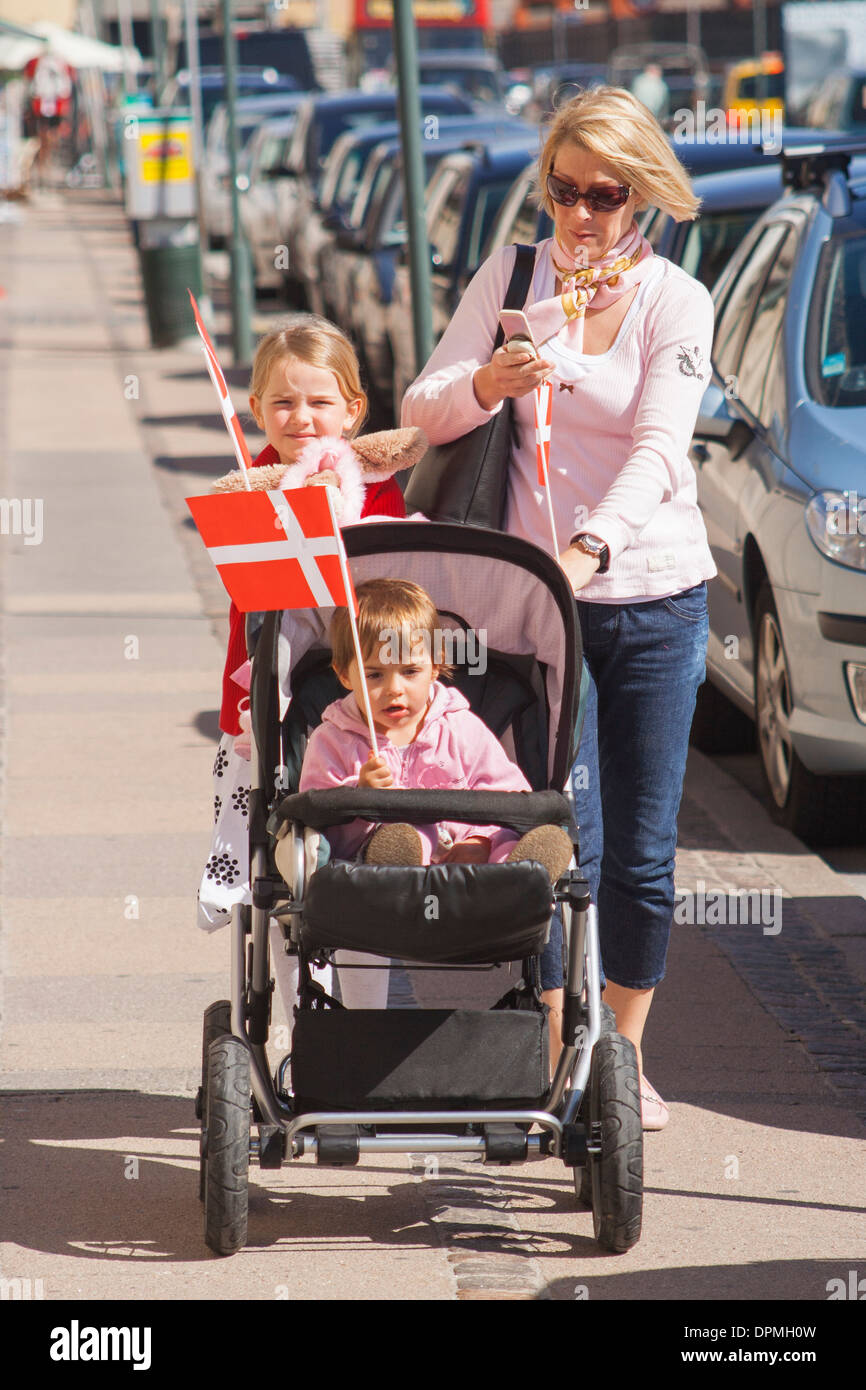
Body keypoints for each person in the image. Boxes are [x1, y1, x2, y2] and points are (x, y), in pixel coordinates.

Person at [401, 85, 717, 1129]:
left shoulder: (676, 299)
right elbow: (422, 409)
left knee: (639, 847)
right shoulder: (511, 273)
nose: (580, 214)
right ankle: (547, 1039)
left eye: (605, 194)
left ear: (642, 197)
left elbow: (658, 452)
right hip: (541, 608)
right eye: (563, 191)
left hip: (653, 594)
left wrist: (587, 547)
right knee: (547, 827)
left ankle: (620, 1059)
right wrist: (487, 381)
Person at [294, 577, 574, 882]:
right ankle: (400, 863)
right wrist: (357, 798)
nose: (394, 689)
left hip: (471, 874)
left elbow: (510, 797)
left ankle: (522, 877)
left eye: (410, 671)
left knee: (510, 841)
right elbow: (317, 838)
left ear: (436, 665)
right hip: (375, 884)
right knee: (403, 835)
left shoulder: (460, 729)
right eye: (374, 675)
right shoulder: (332, 740)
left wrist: (480, 841)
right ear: (345, 675)